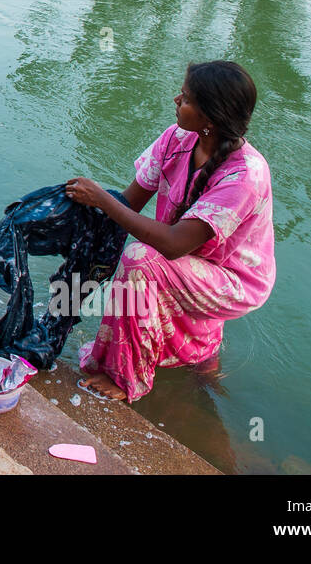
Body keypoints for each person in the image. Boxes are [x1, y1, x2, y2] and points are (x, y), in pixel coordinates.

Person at [63, 61, 275, 402]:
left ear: (210, 118)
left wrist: (101, 199)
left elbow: (175, 244)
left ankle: (126, 378)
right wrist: (77, 213)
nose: (177, 100)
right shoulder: (176, 139)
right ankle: (203, 365)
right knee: (150, 259)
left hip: (234, 281)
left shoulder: (246, 175)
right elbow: (130, 203)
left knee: (141, 260)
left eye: (187, 98)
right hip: (195, 259)